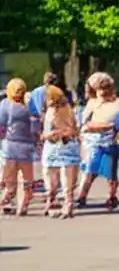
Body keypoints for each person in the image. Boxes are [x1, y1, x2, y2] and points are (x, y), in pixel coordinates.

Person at [76, 72, 119, 211]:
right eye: (100, 89)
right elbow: (84, 124)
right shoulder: (92, 103)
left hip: (109, 143)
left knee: (110, 173)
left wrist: (97, 125)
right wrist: (102, 125)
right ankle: (82, 197)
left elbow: (116, 124)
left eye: (105, 89)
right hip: (93, 143)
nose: (102, 92)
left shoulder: (117, 104)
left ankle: (112, 197)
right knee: (90, 171)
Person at [40, 85, 80, 219]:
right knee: (62, 179)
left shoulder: (56, 111)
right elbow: (74, 130)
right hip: (63, 145)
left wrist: (52, 134)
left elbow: (72, 130)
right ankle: (60, 203)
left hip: (57, 146)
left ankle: (59, 203)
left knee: (55, 179)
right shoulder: (67, 109)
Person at [0, 78, 38, 216]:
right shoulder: (29, 105)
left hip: (9, 146)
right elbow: (36, 126)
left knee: (10, 179)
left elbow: (1, 125)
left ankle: (6, 201)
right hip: (27, 147)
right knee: (26, 179)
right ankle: (23, 205)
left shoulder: (5, 105)